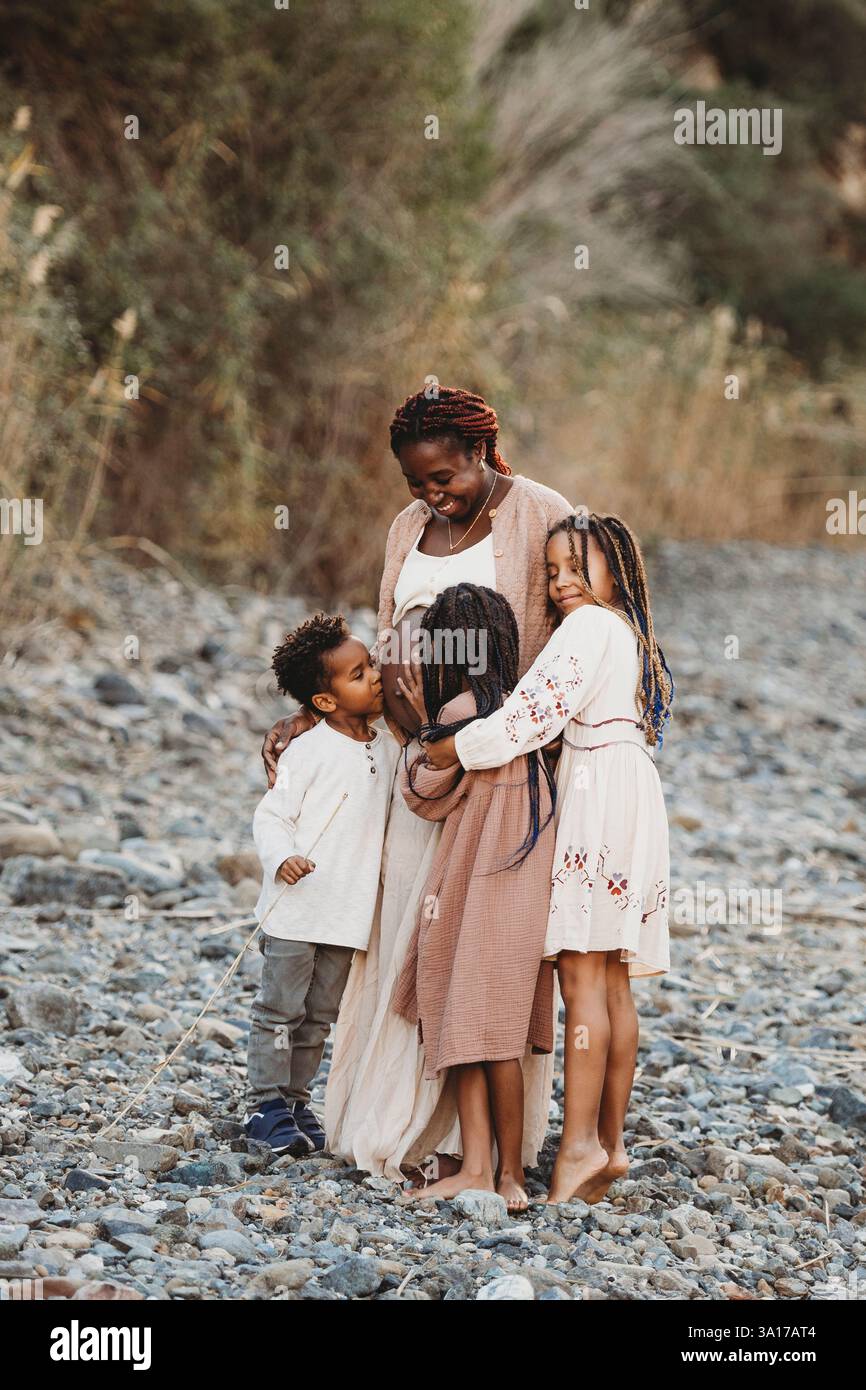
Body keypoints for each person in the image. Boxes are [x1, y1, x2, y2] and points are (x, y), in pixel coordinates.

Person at [261, 386, 573, 1182]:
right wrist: (314, 719)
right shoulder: (407, 529)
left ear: (481, 452)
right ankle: (387, 1116)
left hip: (498, 775)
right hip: (410, 767)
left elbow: (574, 648)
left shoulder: (539, 515)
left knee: (474, 950)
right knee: (403, 935)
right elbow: (374, 650)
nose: (433, 495)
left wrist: (498, 740)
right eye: (417, 483)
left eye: (445, 478)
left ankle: (477, 1146)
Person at [423, 513, 674, 1204]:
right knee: (613, 982)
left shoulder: (589, 627)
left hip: (598, 791)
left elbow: (531, 715)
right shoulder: (627, 631)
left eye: (576, 567)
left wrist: (451, 747)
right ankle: (609, 1144)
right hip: (631, 787)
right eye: (553, 571)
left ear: (615, 570)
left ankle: (578, 1149)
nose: (562, 583)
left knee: (582, 984)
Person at [391, 584, 557, 1211]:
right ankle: (509, 1174)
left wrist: (415, 730)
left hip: (474, 891)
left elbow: (426, 794)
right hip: (523, 893)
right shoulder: (526, 712)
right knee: (501, 1040)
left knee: (461, 1026)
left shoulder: (462, 709)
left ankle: (479, 1167)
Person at [244, 612, 398, 1156]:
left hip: (346, 913)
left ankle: (294, 1100)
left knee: (318, 1018)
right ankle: (264, 1106)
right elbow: (272, 815)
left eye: (371, 664)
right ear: (326, 702)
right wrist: (283, 856)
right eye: (358, 674)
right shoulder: (308, 750)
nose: (375, 676)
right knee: (280, 1010)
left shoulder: (386, 746)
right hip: (297, 909)